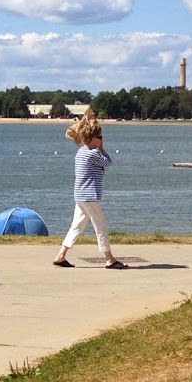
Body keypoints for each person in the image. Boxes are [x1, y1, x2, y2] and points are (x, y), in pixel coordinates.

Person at [51, 113, 125, 269]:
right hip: (90, 195)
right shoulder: (93, 154)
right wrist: (102, 149)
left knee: (76, 226)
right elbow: (109, 162)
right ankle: (110, 259)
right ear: (92, 139)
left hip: (80, 195)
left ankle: (61, 255)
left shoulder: (81, 152)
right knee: (101, 227)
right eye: (100, 137)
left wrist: (99, 147)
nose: (102, 139)